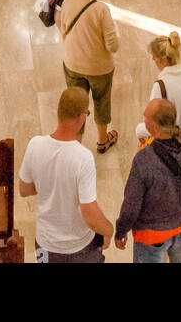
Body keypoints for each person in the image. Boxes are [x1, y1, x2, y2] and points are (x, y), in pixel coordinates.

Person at [17, 87, 115, 264]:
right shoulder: (83, 157)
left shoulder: (35, 145)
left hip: (45, 243)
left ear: (58, 113)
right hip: (79, 247)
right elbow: (89, 214)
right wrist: (109, 230)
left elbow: (24, 189)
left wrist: (49, 184)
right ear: (82, 117)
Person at [114, 99, 181, 263]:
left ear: (155, 127)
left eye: (146, 117)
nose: (143, 117)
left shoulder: (143, 159)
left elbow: (131, 206)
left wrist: (121, 231)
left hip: (151, 235)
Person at [57, 0, 120, 153]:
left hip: (73, 64)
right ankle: (102, 141)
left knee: (77, 104)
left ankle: (77, 146)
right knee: (101, 101)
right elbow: (113, 46)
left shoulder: (67, 1)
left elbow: (63, 29)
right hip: (100, 69)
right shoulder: (101, 9)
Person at [147, 31, 181, 139]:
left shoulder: (160, 86)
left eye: (154, 56)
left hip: (175, 145)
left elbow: (152, 121)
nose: (153, 59)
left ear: (164, 59)